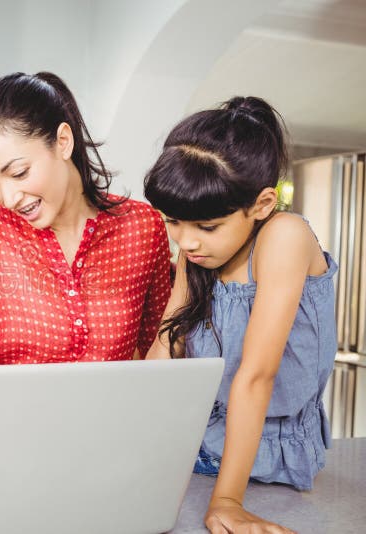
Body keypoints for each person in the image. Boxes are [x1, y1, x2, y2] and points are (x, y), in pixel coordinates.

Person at [144, 96, 336, 534]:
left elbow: (257, 376)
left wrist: (228, 502)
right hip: (192, 443)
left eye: (206, 227)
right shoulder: (196, 253)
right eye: (173, 221)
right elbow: (165, 345)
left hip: (267, 459)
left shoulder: (285, 236)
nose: (187, 242)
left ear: (263, 204)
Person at [0, 72, 172, 401]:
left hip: (107, 440)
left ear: (63, 141)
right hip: (5, 439)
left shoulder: (142, 228)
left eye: (19, 172)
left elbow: (165, 351)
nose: (9, 198)